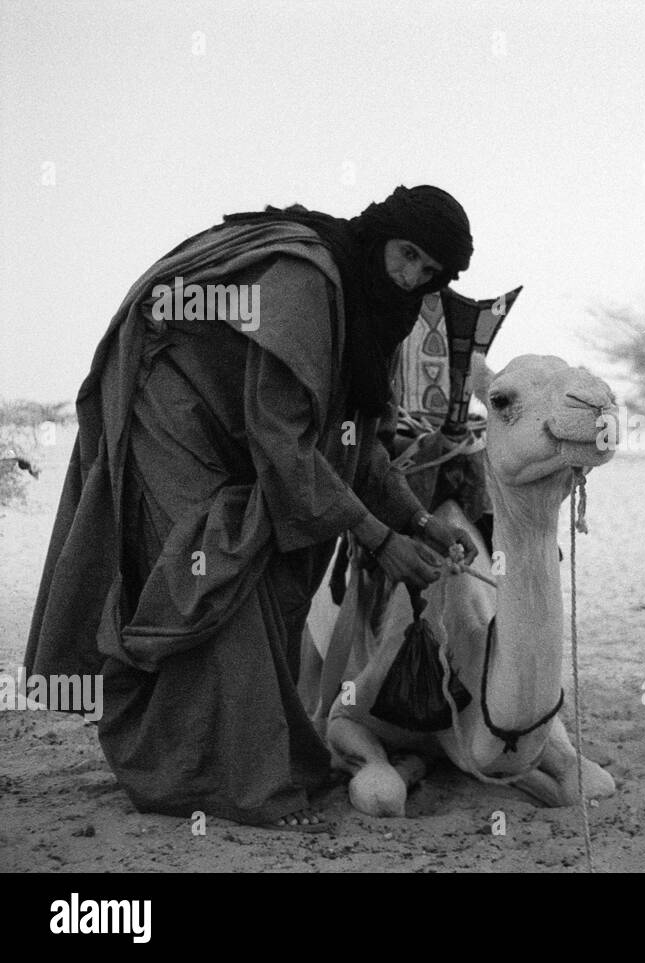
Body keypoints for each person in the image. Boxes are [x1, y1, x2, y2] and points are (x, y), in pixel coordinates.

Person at [25, 185, 479, 831]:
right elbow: (285, 446)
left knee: (257, 574)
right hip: (172, 411)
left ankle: (236, 764)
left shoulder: (376, 313)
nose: (410, 277)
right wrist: (379, 540)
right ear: (381, 235)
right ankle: (207, 779)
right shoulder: (307, 283)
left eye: (428, 273)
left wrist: (419, 519)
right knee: (211, 575)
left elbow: (356, 442)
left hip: (238, 425)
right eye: (406, 255)